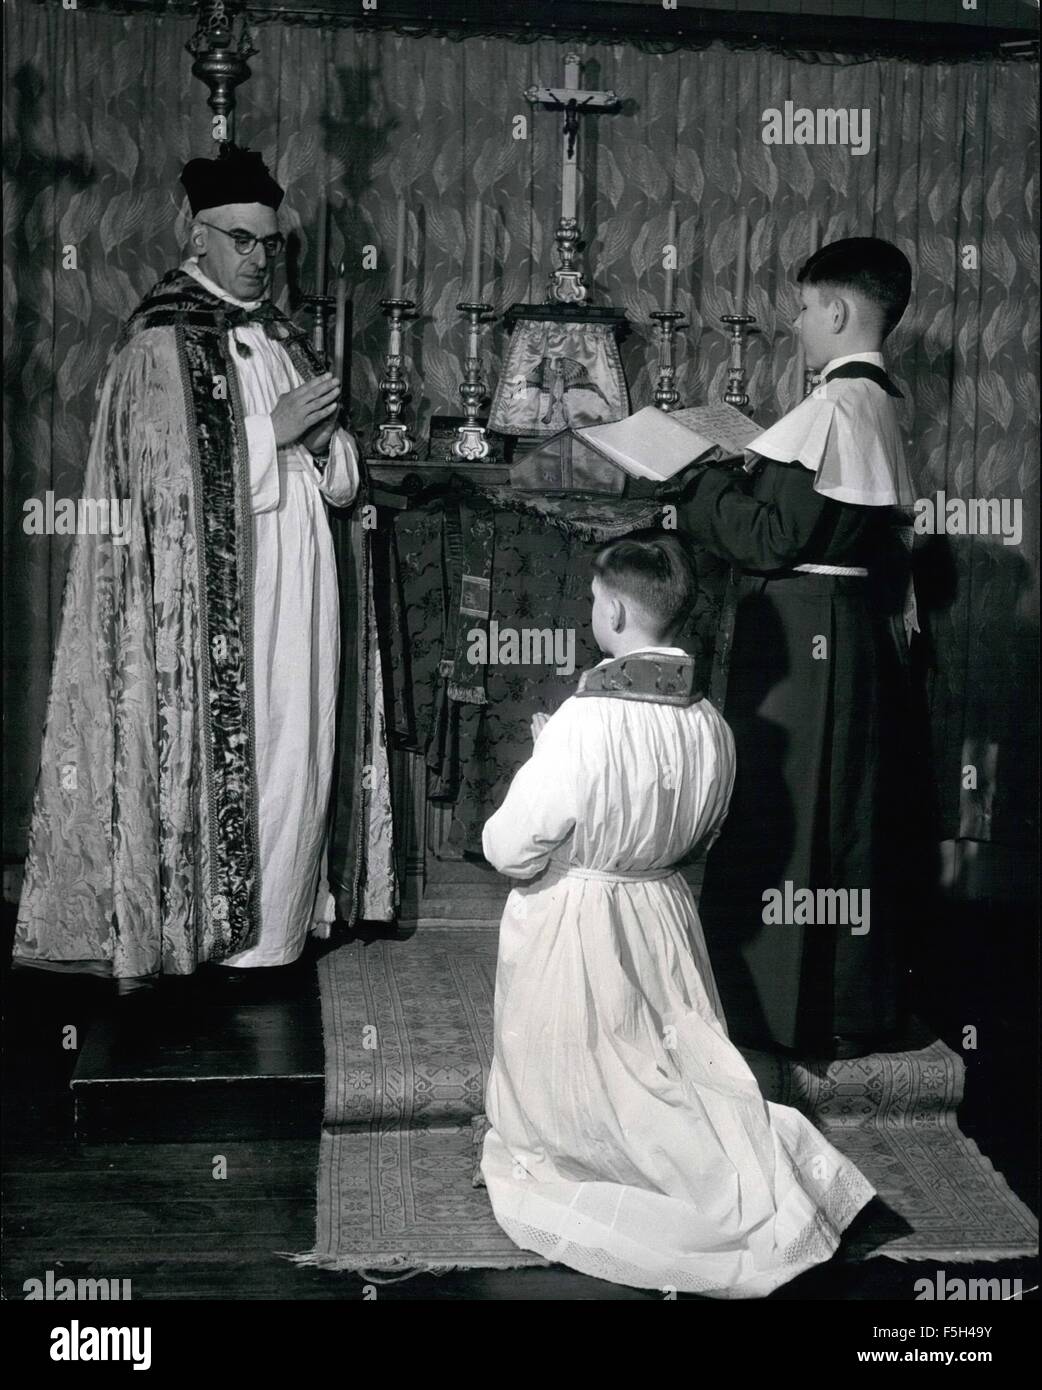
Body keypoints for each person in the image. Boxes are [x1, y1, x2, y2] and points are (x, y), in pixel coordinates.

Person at [480, 531, 874, 1297]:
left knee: (591, 1082)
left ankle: (587, 1144)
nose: (594, 611)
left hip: (581, 920)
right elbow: (705, 831)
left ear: (619, 614)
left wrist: (549, 775)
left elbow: (509, 848)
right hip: (662, 911)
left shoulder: (583, 722)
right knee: (663, 1057)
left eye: (597, 601)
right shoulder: (710, 724)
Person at [14, 144, 360, 991]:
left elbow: (345, 481)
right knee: (240, 746)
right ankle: (202, 936)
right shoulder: (157, 341)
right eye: (240, 241)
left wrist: (322, 446)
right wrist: (268, 434)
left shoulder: (282, 336)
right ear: (196, 237)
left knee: (295, 746)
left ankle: (274, 936)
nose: (257, 259)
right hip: (207, 600)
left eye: (269, 244)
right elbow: (158, 491)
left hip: (298, 583)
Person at [679, 236, 916, 1058]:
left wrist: (699, 479)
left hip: (805, 623)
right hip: (848, 625)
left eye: (807, 306)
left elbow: (770, 536)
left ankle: (770, 1012)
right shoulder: (878, 402)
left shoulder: (835, 406)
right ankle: (846, 1005)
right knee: (841, 815)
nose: (797, 320)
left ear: (840, 311)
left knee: (786, 810)